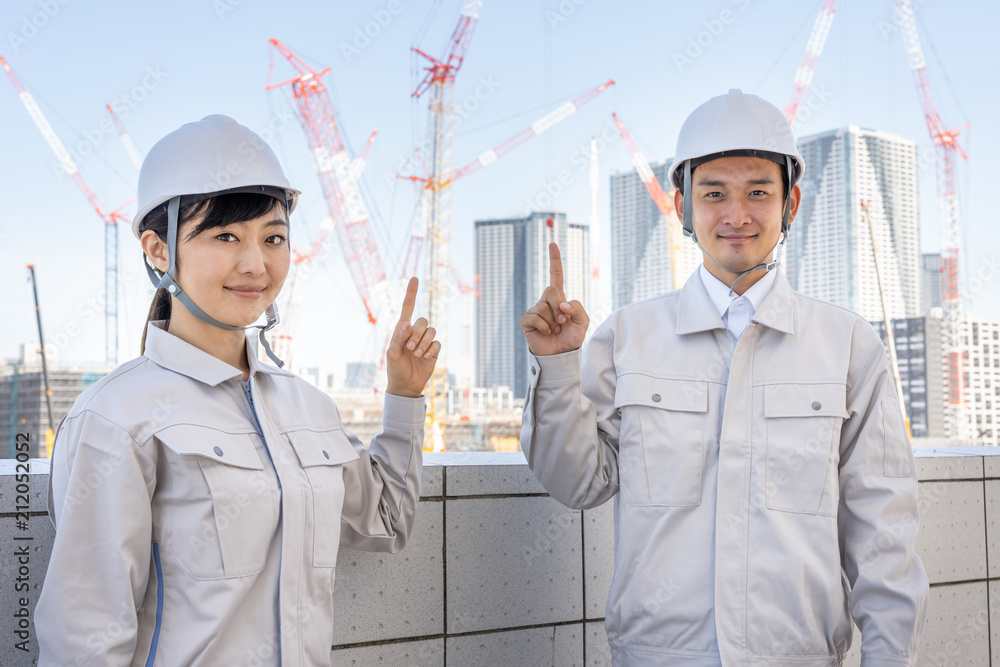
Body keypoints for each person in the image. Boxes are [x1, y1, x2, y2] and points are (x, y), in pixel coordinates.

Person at [520, 90, 928, 666]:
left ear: (791, 205)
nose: (737, 214)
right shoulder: (626, 338)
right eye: (714, 194)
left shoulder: (848, 346)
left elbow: (882, 533)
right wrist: (558, 365)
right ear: (682, 205)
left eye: (759, 191)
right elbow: (576, 482)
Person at [35, 115, 439, 666]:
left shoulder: (307, 406)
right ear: (157, 249)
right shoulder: (115, 417)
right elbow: (85, 638)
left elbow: (387, 521)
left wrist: (404, 397)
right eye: (225, 236)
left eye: (273, 238)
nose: (256, 264)